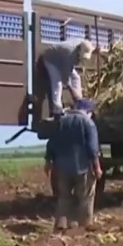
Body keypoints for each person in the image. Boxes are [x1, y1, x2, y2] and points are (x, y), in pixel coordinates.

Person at [44, 98, 102, 231]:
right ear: (88, 111)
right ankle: (85, 224)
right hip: (82, 167)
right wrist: (97, 167)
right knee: (86, 196)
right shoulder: (88, 123)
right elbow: (93, 149)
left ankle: (61, 224)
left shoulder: (61, 121)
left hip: (62, 167)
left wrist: (48, 162)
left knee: (64, 196)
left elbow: (51, 143)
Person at [41, 37, 98, 115]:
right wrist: (72, 91)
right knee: (58, 83)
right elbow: (66, 78)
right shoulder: (70, 53)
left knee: (76, 78)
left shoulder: (84, 45)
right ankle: (57, 110)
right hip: (51, 59)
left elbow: (90, 48)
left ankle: (79, 102)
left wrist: (96, 50)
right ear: (79, 51)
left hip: (62, 59)